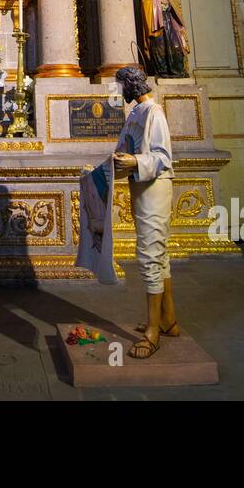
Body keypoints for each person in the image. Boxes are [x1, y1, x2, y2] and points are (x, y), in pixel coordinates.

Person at [88, 66, 177, 359]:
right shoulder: (135, 115)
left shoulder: (154, 113)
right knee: (157, 254)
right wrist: (96, 175)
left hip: (155, 187)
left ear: (130, 85)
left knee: (150, 254)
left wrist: (135, 163)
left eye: (120, 86)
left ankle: (153, 334)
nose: (118, 92)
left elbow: (162, 157)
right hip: (142, 187)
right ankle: (168, 319)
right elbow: (121, 153)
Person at [140, 0, 189, 76]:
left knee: (175, 46)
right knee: (159, 47)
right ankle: (163, 71)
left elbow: (175, 13)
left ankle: (178, 70)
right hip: (157, 26)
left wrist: (180, 27)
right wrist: (156, 1)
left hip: (170, 24)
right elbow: (146, 9)